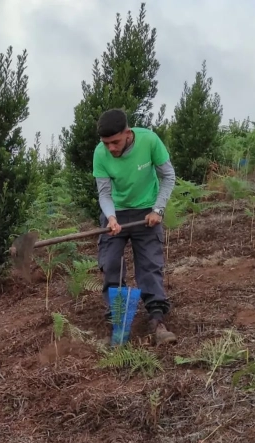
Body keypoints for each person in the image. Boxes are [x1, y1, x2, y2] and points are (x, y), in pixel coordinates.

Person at [93, 108, 177, 345]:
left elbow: (168, 176)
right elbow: (104, 192)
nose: (111, 148)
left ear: (128, 133)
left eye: (115, 142)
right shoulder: (100, 153)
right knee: (110, 265)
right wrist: (111, 218)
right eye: (106, 143)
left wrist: (158, 209)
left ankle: (157, 321)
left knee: (150, 265)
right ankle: (120, 325)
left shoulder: (150, 140)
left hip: (146, 212)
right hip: (116, 214)